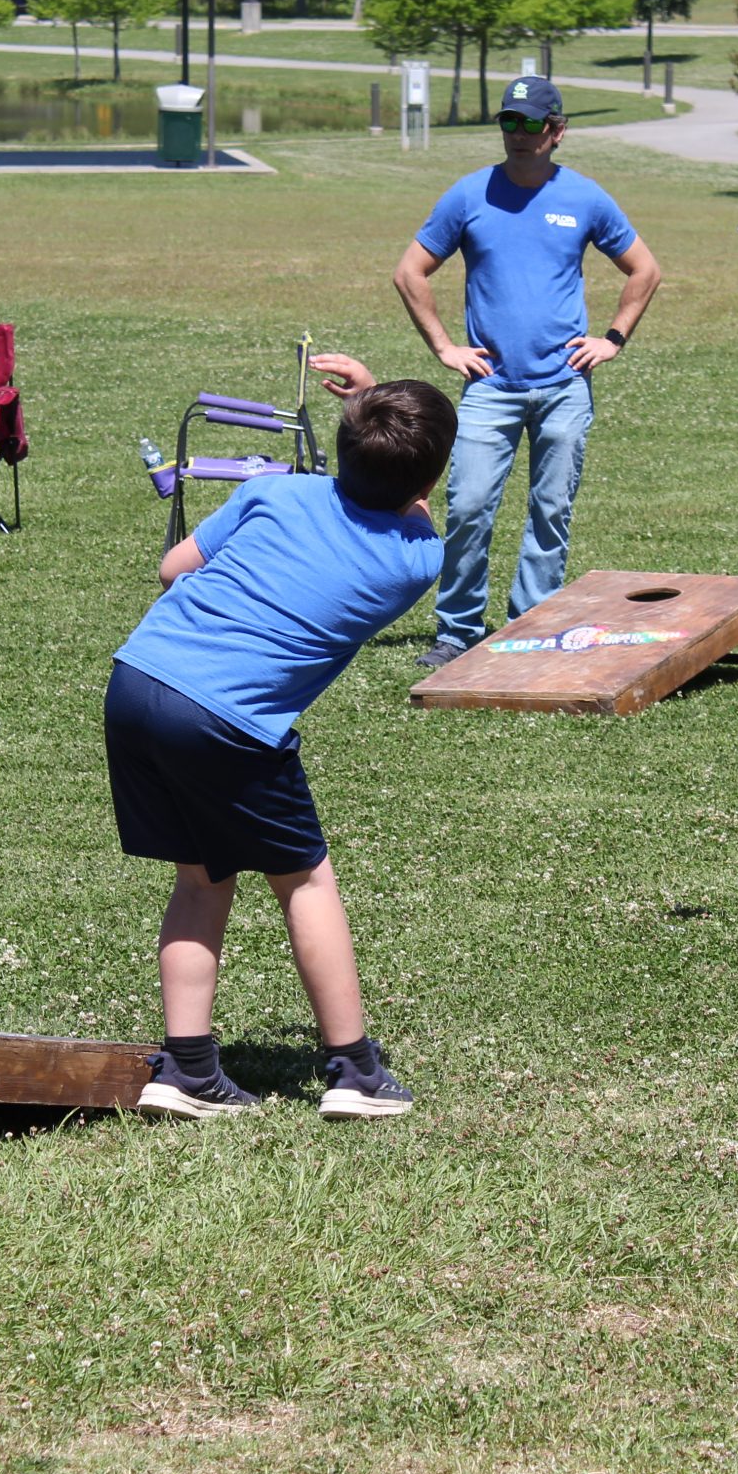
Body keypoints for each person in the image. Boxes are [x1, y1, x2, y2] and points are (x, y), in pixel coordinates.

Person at [105, 353, 452, 1121]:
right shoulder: (416, 558)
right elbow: (413, 503)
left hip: (137, 682)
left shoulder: (271, 493)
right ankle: (355, 1072)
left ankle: (189, 1067)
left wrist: (363, 407)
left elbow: (172, 567)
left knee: (201, 878)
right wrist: (385, 427)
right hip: (227, 721)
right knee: (305, 881)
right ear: (428, 483)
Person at [394, 76, 662, 668]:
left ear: (557, 131)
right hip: (490, 388)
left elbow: (644, 270)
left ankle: (530, 624)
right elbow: (410, 272)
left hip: (564, 386)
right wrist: (444, 348)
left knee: (550, 511)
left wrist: (613, 339)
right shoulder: (468, 195)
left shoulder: (586, 199)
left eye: (531, 124)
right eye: (508, 122)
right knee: (468, 507)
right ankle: (457, 632)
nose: (518, 135)